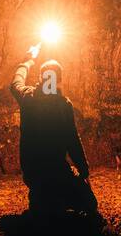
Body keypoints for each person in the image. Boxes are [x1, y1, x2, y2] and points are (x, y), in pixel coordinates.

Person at [9, 44, 99, 222]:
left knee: (47, 202)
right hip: (57, 169)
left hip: (33, 171)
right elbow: (72, 138)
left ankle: (43, 199)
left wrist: (27, 61)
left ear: (42, 78)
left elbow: (16, 83)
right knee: (89, 204)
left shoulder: (28, 98)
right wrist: (83, 169)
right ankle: (49, 199)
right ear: (58, 80)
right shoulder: (63, 105)